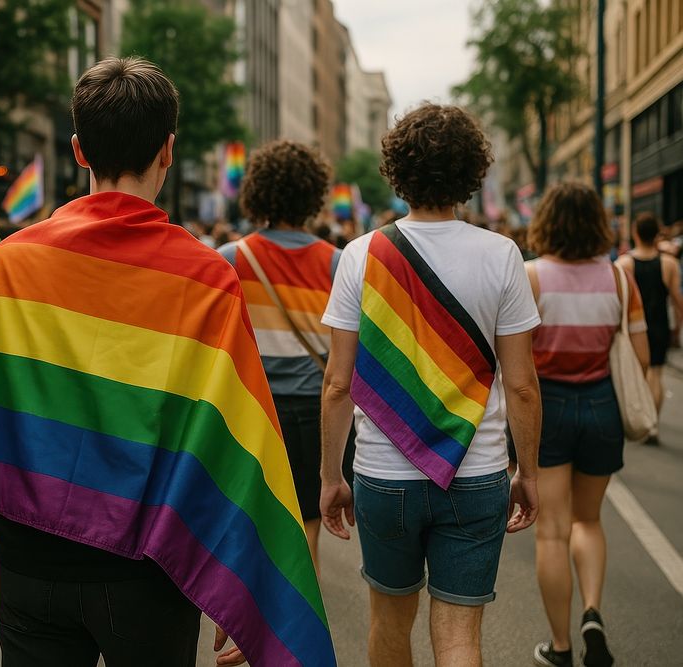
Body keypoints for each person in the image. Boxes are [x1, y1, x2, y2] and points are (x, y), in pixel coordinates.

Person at [0, 57, 335, 667]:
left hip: (27, 561)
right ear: (168, 150)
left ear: (78, 149)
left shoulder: (12, 264)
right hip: (147, 570)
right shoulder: (207, 279)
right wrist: (247, 590)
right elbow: (233, 440)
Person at [320, 103, 542, 667]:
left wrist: (330, 476)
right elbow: (521, 387)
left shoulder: (360, 256)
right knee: (460, 638)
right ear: (472, 171)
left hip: (382, 476)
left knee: (389, 623)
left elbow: (338, 384)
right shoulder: (502, 255)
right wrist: (529, 472)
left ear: (398, 171)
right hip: (477, 473)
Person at [527, 182, 649, 667]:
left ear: (547, 221)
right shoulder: (620, 279)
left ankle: (559, 648)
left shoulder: (531, 276)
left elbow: (514, 362)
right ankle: (593, 612)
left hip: (549, 407)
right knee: (589, 520)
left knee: (552, 530)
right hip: (601, 404)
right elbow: (639, 356)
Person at [219, 140, 351, 571]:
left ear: (257, 191)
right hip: (315, 411)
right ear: (314, 194)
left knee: (255, 522)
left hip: (253, 408)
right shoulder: (336, 263)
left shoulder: (231, 260)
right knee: (306, 527)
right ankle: (298, 627)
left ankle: (252, 626)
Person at [616, 213, 683, 444]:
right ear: (656, 235)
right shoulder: (669, 264)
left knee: (637, 373)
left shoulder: (624, 263)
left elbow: (620, 301)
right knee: (656, 374)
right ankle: (653, 424)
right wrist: (678, 327)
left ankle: (638, 416)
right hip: (659, 324)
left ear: (635, 233)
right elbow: (676, 298)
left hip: (634, 327)